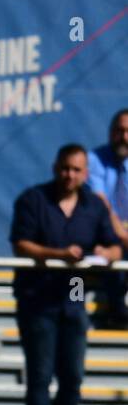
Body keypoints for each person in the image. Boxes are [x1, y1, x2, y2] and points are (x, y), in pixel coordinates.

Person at [11, 144, 120, 405]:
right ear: (55, 167)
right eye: (65, 168)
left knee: (72, 376)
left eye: (76, 170)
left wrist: (105, 254)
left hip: (74, 300)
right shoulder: (33, 199)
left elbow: (113, 246)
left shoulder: (94, 207)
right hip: (38, 300)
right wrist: (59, 256)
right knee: (41, 375)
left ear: (85, 173)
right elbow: (20, 244)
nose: (69, 175)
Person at [83, 109, 128, 325]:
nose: (124, 137)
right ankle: (117, 311)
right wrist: (121, 234)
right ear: (110, 132)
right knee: (113, 246)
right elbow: (101, 202)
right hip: (103, 233)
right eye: (119, 131)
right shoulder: (93, 160)